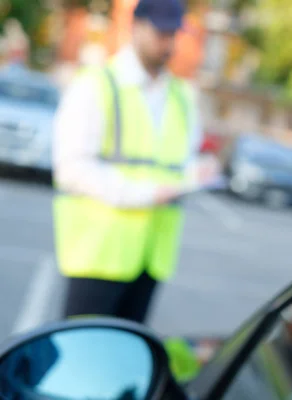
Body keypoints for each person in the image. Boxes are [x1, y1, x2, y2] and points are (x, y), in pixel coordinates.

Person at [52, 0, 218, 324]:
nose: (169, 43)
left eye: (174, 33)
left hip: (151, 258)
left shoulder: (181, 97)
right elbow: (71, 168)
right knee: (84, 358)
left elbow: (182, 161)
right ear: (136, 27)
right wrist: (146, 193)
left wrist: (199, 172)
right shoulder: (96, 85)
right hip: (99, 255)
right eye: (162, 33)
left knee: (127, 357)